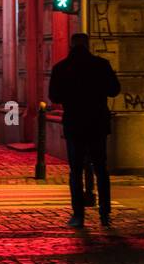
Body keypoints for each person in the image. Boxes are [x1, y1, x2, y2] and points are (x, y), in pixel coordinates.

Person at [48, 32, 121, 228]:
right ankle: (105, 214)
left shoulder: (61, 68)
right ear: (88, 45)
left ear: (71, 46)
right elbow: (114, 90)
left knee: (76, 171)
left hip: (75, 123)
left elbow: (54, 96)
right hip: (97, 123)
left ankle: (78, 215)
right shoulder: (101, 65)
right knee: (101, 170)